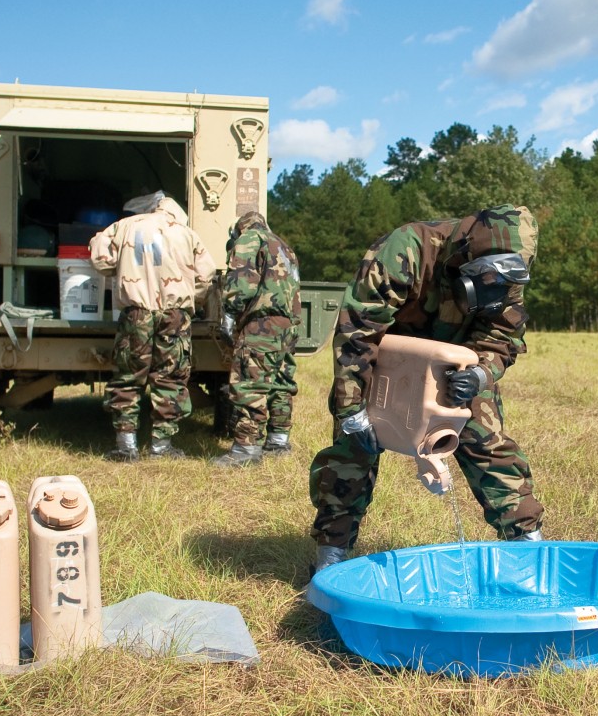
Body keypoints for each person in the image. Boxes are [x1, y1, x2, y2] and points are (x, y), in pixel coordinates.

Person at [308, 204, 544, 572]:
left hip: (457, 364)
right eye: (484, 275)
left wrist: (481, 374)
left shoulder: (506, 271)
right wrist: (352, 409)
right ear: (468, 252)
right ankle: (329, 561)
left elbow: (503, 336)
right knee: (353, 448)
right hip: (389, 361)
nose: (494, 285)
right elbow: (358, 330)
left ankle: (530, 553)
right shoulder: (409, 249)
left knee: (488, 444)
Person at [89, 191, 215, 461]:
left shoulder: (125, 226)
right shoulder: (186, 233)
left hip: (137, 313)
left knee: (129, 375)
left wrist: (121, 267)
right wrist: (193, 300)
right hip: (175, 316)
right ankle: (162, 446)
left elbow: (100, 258)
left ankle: (126, 446)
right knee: (170, 377)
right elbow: (206, 276)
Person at [213, 211, 302, 467]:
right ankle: (279, 439)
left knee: (250, 383)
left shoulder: (250, 238)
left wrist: (229, 315)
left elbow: (241, 283)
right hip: (288, 325)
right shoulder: (284, 247)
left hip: (262, 323)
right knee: (281, 381)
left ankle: (246, 449)